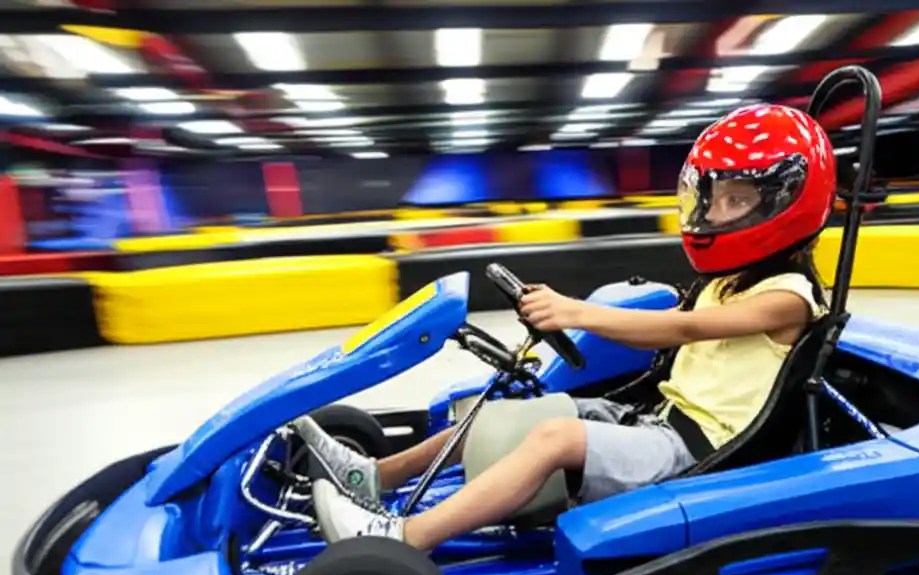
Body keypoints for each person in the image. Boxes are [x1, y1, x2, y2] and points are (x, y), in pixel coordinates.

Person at [299, 103, 839, 550]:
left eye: (737, 201)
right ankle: (374, 476)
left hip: (697, 453)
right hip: (656, 418)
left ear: (785, 204)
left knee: (555, 438)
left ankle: (401, 538)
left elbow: (683, 330)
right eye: (714, 198)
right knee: (495, 412)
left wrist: (575, 311)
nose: (717, 215)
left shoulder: (788, 299)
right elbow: (676, 329)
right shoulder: (729, 281)